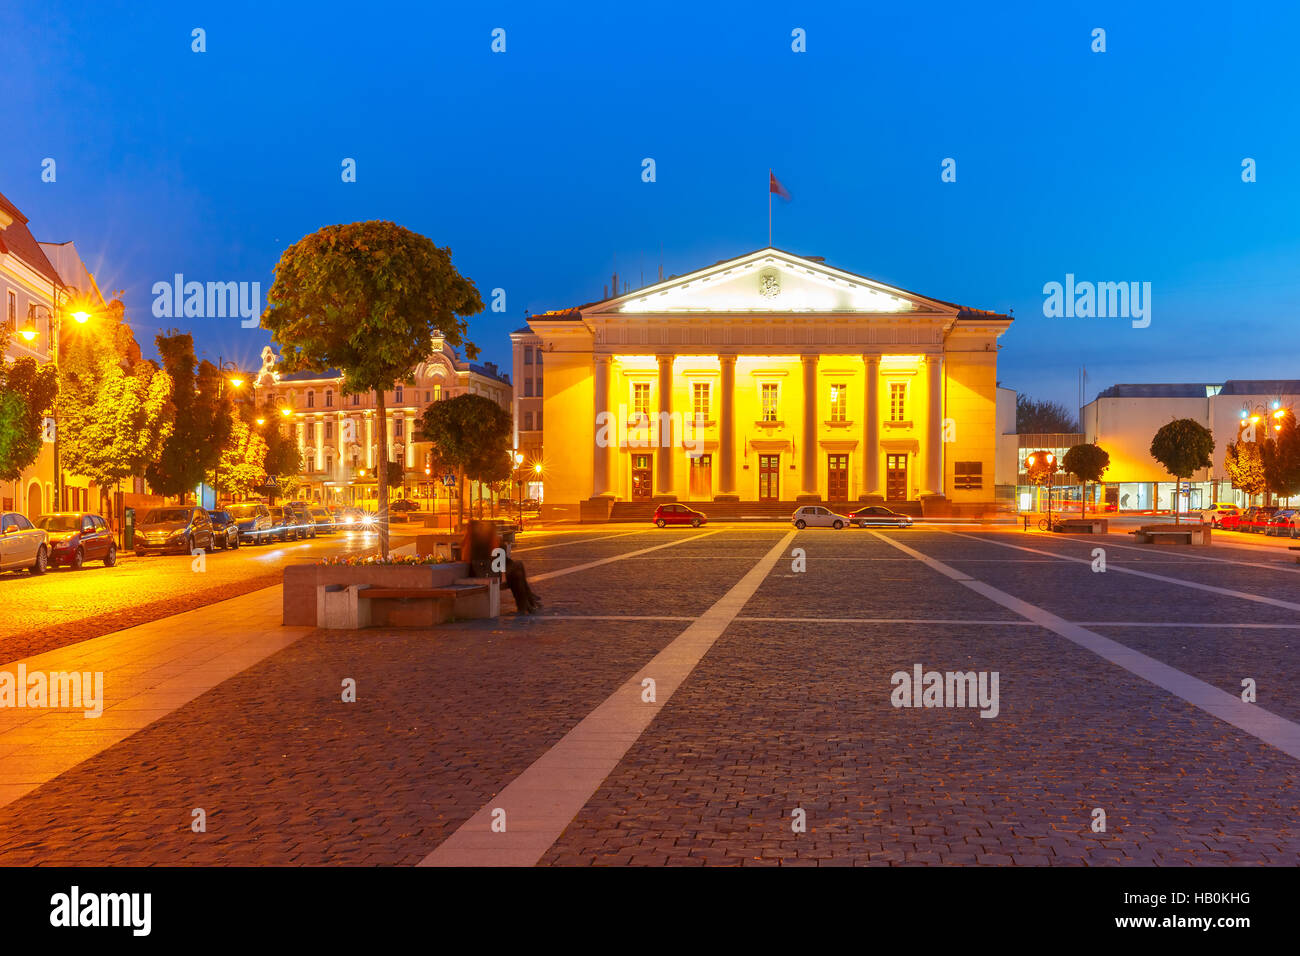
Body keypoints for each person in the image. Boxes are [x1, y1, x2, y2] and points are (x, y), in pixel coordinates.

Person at [460, 519, 540, 614]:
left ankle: (526, 602)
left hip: (489, 570)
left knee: (517, 568)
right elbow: (492, 559)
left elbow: (499, 558)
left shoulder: (484, 541)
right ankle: (526, 602)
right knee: (516, 571)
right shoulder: (475, 542)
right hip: (485, 572)